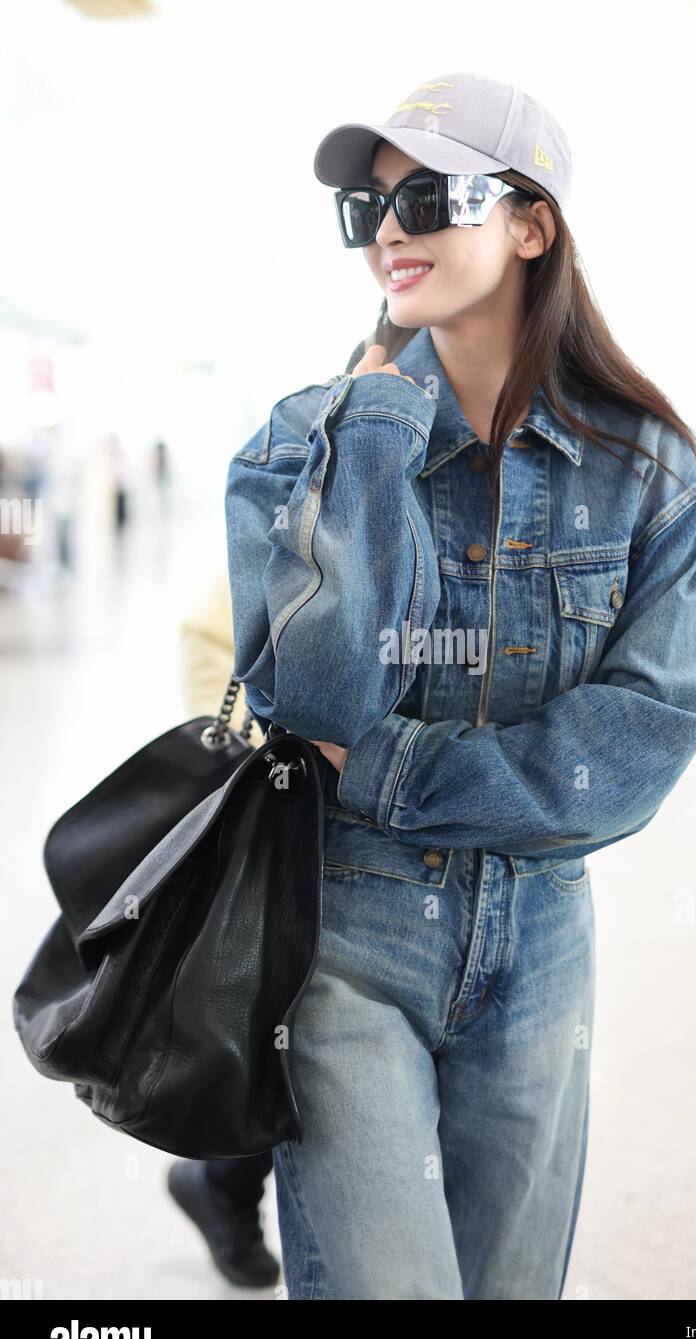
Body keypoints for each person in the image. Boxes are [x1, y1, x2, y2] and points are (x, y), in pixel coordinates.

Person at [224, 72, 696, 1300]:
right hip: (346, 929)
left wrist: (397, 770)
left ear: (532, 222)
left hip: (544, 936)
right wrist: (379, 428)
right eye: (368, 209)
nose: (391, 231)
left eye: (430, 198)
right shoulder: (305, 444)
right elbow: (319, 694)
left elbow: (646, 729)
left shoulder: (643, 469)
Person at [166, 337, 373, 1289]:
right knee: (264, 1026)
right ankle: (220, 1182)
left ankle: (217, 1177)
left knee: (291, 1037)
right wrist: (256, 753)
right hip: (280, 808)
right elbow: (216, 638)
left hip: (365, 830)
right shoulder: (295, 495)